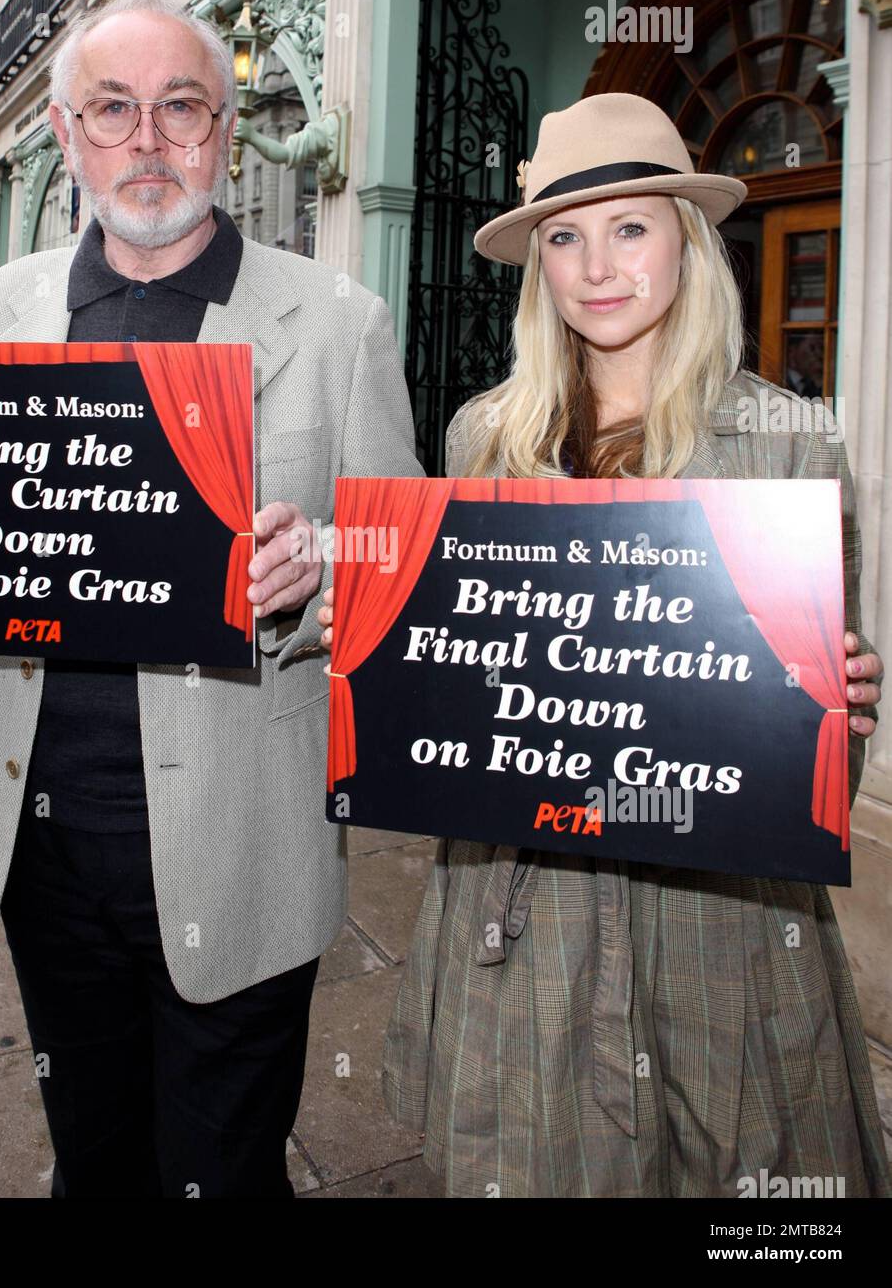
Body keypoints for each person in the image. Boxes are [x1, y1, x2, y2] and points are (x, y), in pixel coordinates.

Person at [0, 0, 423, 1198]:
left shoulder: (339, 325)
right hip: (46, 857)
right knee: (91, 1160)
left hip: (241, 851)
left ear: (227, 131)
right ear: (66, 131)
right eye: (114, 109)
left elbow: (389, 568)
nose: (149, 141)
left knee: (226, 1173)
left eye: (181, 107)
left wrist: (317, 575)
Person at [318, 93, 889, 1197]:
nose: (597, 266)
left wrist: (836, 706)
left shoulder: (788, 445)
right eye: (565, 237)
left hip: (722, 931)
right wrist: (393, 653)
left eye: (631, 227)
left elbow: (825, 758)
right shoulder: (486, 437)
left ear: (688, 238)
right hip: (529, 918)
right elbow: (460, 687)